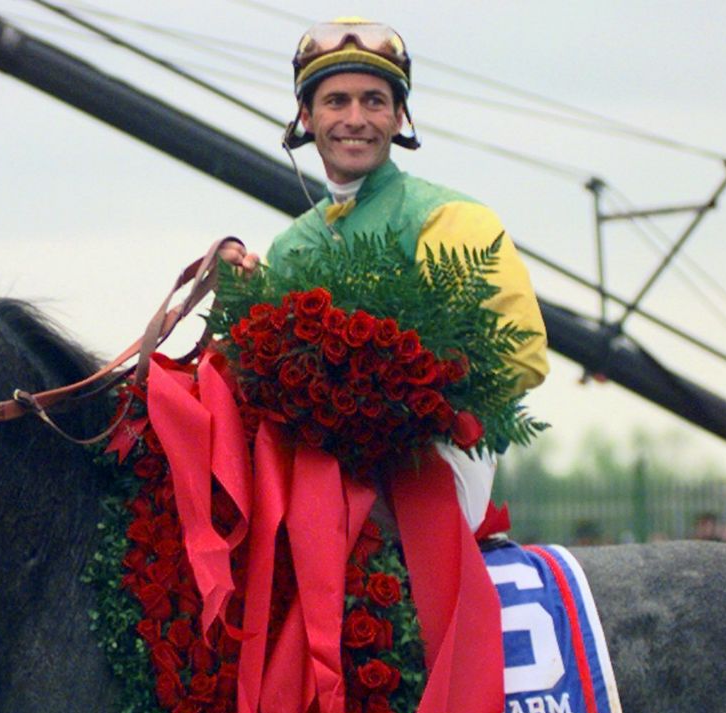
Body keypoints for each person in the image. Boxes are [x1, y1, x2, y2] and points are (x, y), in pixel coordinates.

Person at [228, 17, 549, 531]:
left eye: (374, 101)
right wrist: (240, 303)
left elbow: (520, 356)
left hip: (430, 463)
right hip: (316, 465)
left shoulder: (451, 219)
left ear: (400, 118)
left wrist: (392, 408)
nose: (355, 118)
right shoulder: (289, 248)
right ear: (306, 117)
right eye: (336, 101)